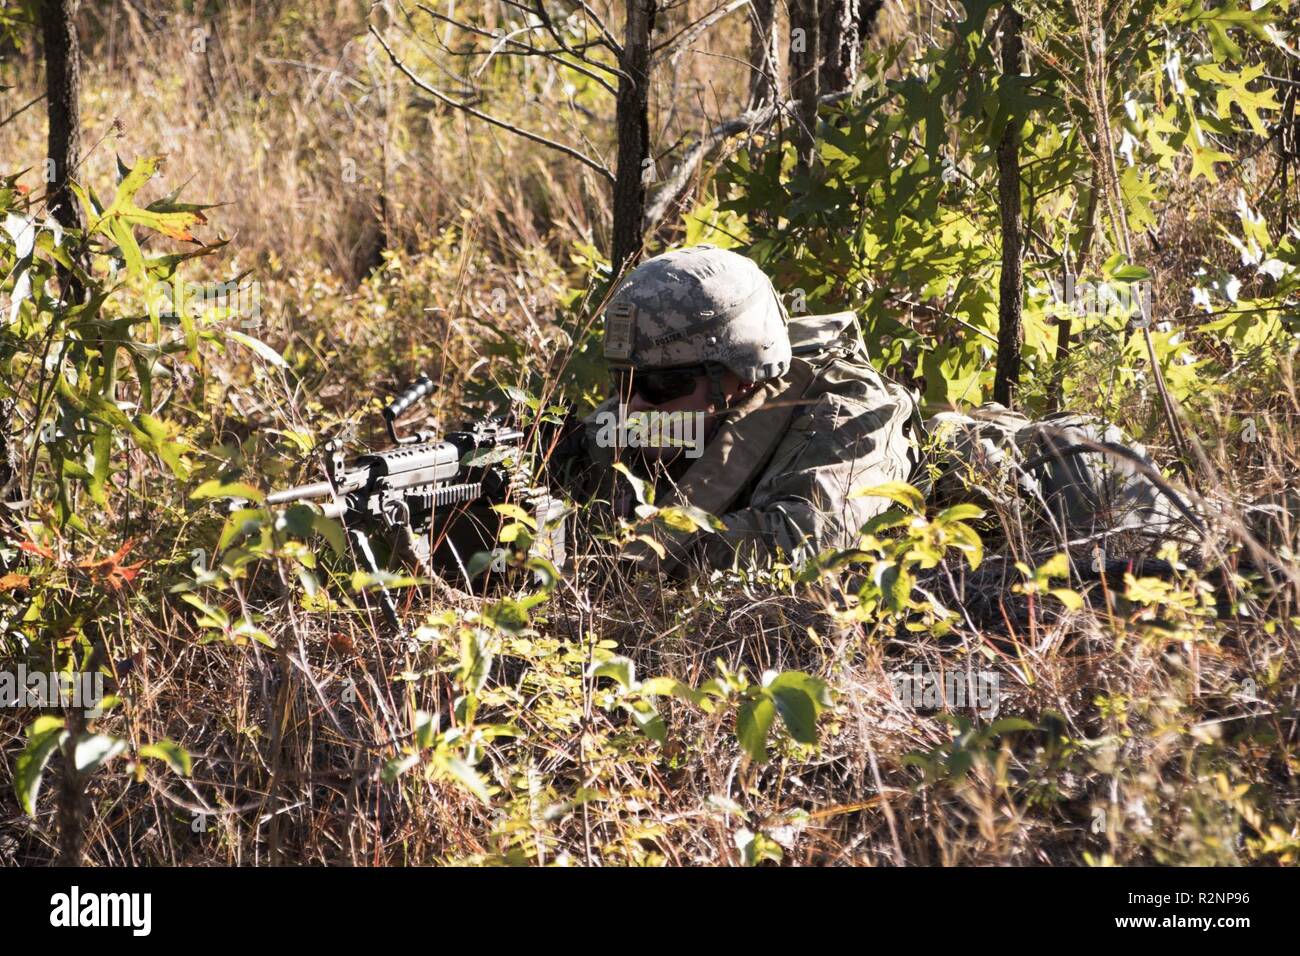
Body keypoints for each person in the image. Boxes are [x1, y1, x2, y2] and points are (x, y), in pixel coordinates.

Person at [548, 245, 1179, 577]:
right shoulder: (660, 409)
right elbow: (577, 457)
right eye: (624, 381)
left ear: (737, 378)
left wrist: (599, 551)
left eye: (659, 387)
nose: (631, 406)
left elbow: (805, 546)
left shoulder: (848, 417)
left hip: (1088, 498)